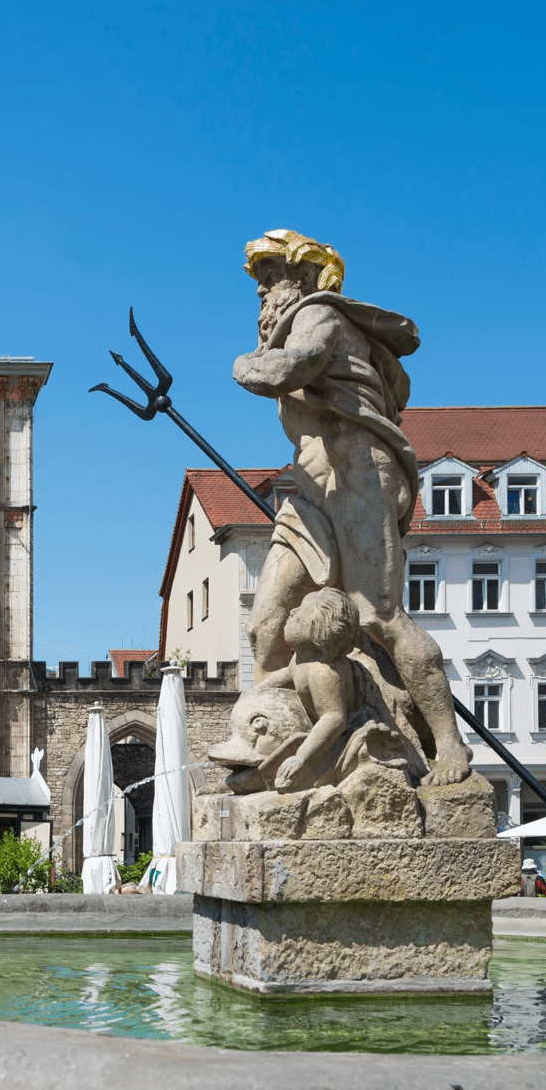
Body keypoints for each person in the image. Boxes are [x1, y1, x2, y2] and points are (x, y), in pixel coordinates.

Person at [233, 230, 473, 786]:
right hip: (310, 487)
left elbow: (293, 368)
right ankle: (282, 742)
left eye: (274, 279)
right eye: (262, 283)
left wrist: (245, 364)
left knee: (376, 616)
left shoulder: (320, 316)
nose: (265, 294)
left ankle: (450, 746)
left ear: (310, 280)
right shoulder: (293, 325)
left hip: (360, 472)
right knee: (266, 624)